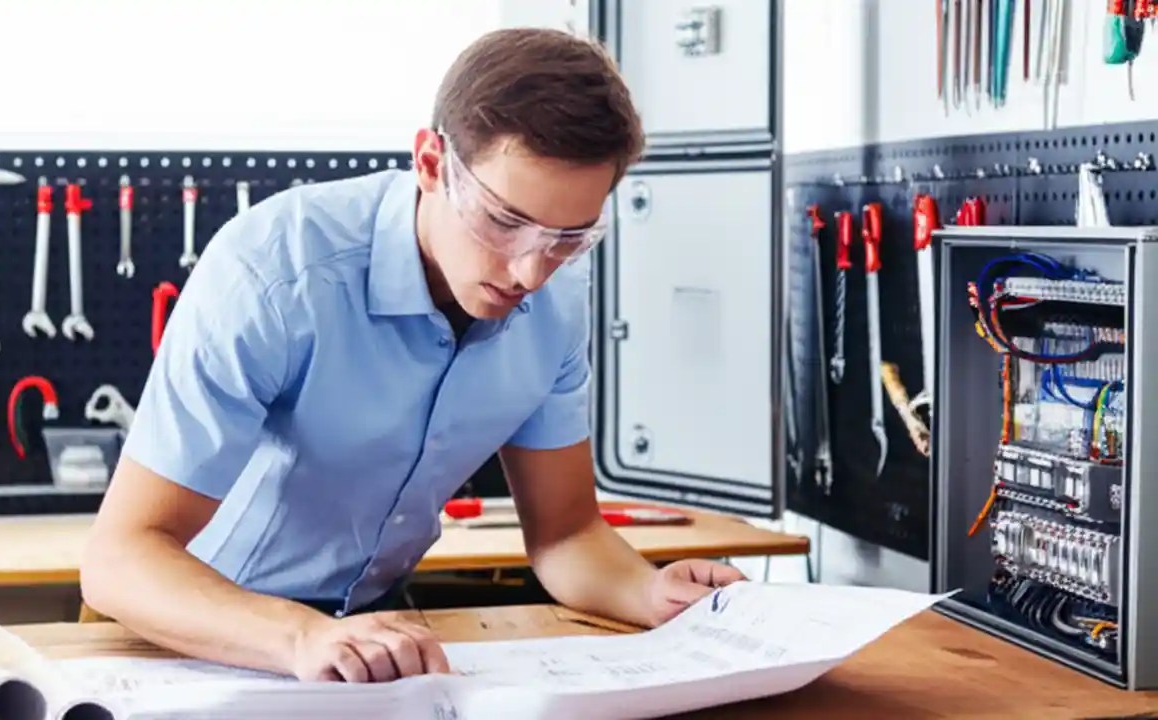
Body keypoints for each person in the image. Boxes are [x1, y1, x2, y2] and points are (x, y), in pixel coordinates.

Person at [80, 27, 746, 684]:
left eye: (569, 238)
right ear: (430, 163)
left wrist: (649, 592)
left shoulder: (557, 301)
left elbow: (567, 535)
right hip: (181, 639)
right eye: (505, 222)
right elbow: (120, 560)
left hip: (363, 638)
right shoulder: (273, 275)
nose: (530, 272)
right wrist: (302, 637)